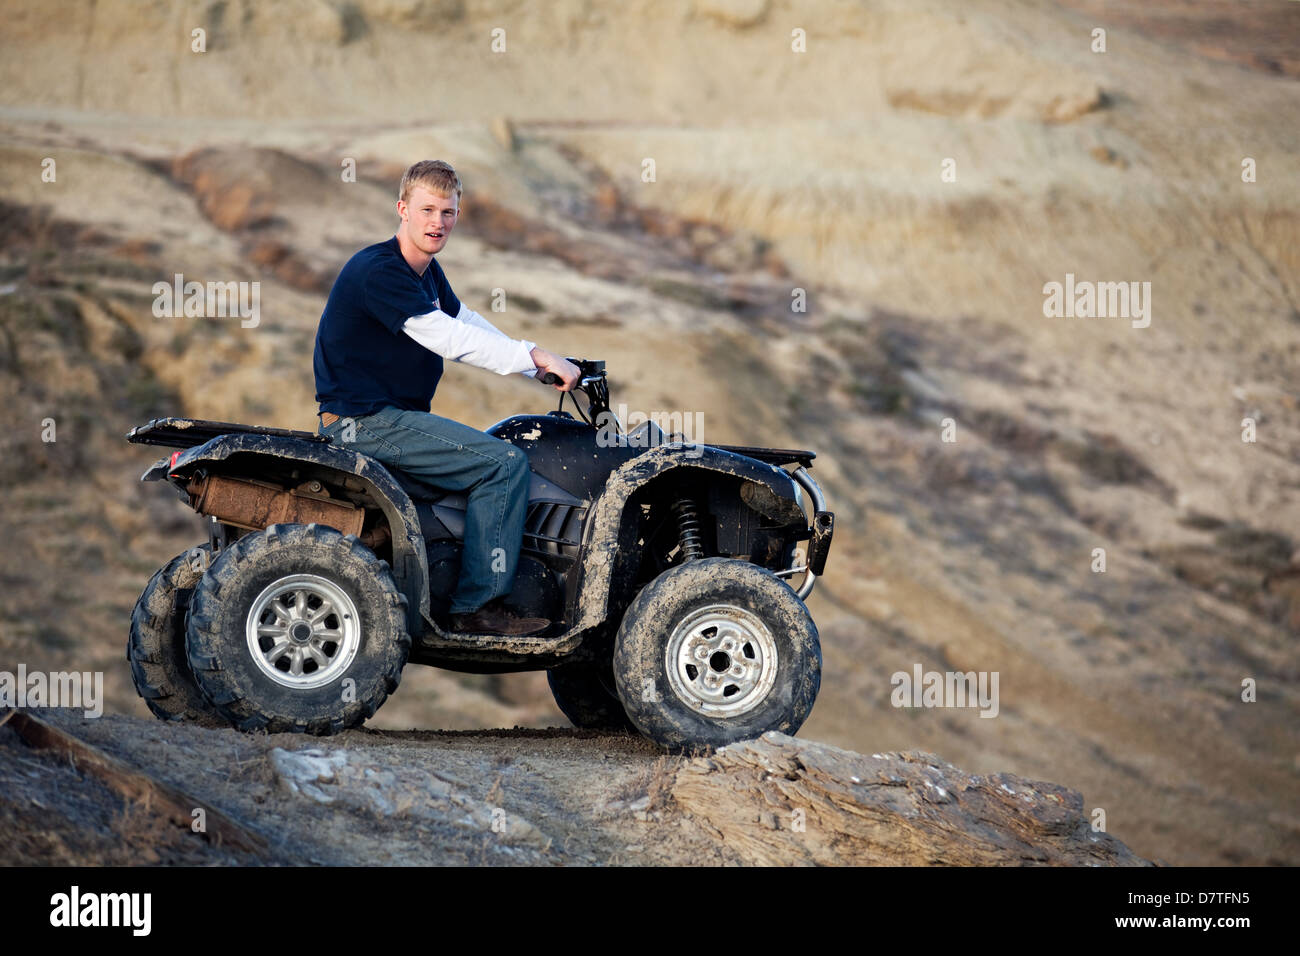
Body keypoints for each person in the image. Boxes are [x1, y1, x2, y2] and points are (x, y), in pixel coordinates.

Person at [313, 160, 580, 636]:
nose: (438, 222)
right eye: (428, 210)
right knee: (503, 464)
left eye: (449, 212)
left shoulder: (426, 273)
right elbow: (446, 339)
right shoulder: (381, 272)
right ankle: (477, 608)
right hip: (365, 420)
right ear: (403, 209)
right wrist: (534, 353)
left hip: (386, 417)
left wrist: (534, 364)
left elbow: (466, 323)